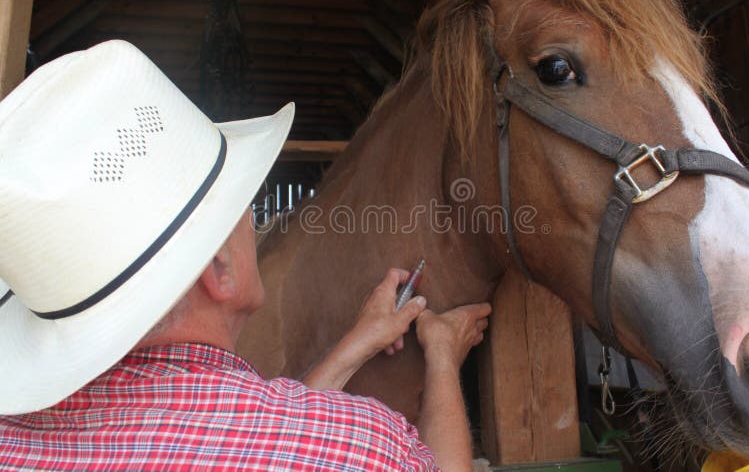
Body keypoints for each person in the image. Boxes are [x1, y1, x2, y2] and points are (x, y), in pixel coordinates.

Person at [0, 40, 491, 471]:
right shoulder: (366, 448)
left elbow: (265, 432)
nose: (256, 221)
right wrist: (444, 356)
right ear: (219, 268)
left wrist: (360, 340)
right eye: (244, 209)